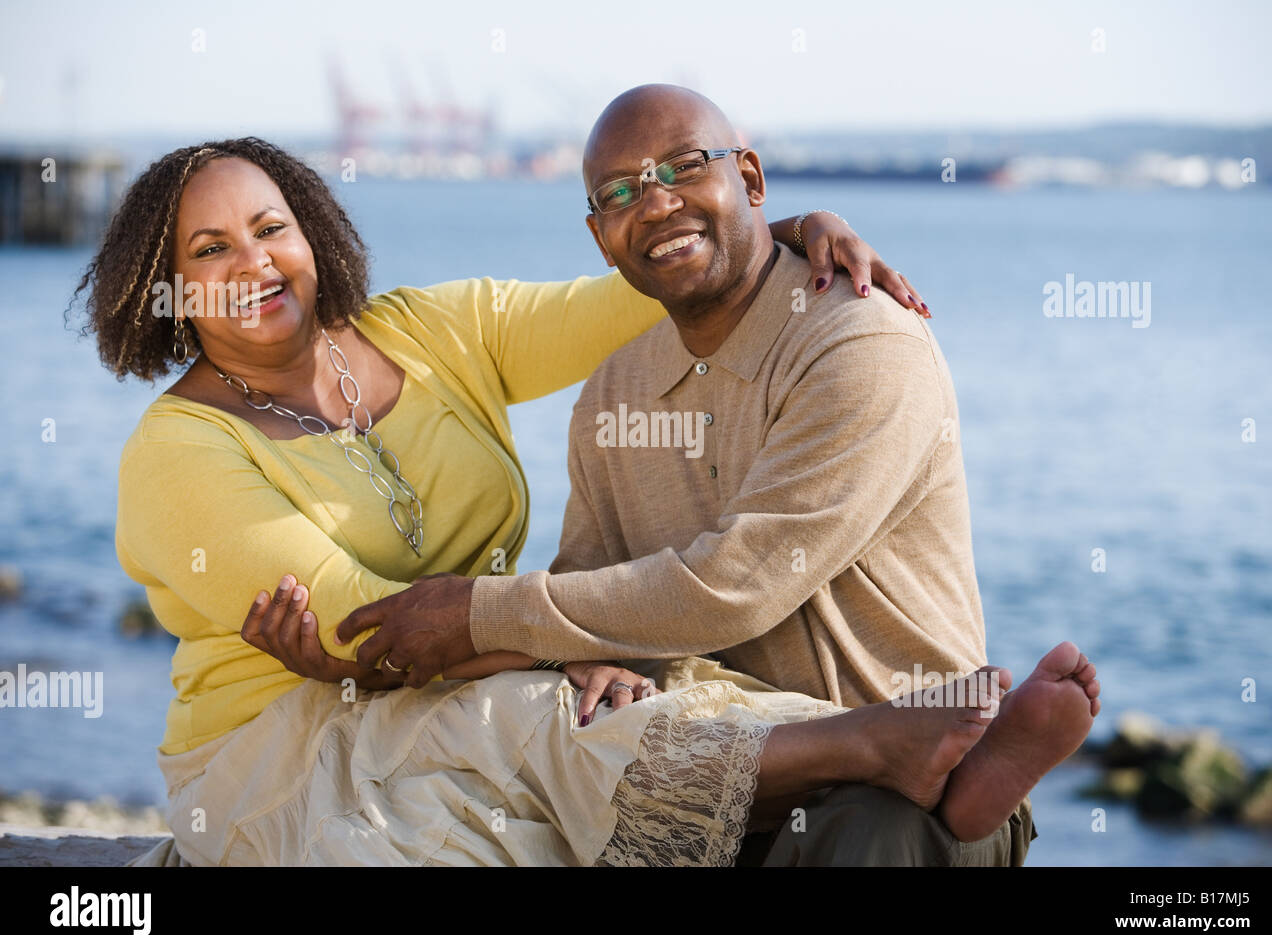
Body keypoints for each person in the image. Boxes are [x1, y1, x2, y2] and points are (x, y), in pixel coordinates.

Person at [86, 136, 1010, 867]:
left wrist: (776, 224)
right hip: (279, 746)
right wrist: (554, 653)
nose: (256, 261)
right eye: (211, 249)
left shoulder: (428, 331)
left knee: (617, 698)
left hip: (459, 674)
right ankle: (880, 748)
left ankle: (913, 756)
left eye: (269, 227)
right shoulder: (176, 453)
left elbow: (647, 285)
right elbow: (356, 627)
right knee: (559, 715)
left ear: (313, 231)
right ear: (164, 292)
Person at [270, 85, 1103, 864]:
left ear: (748, 177)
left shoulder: (858, 341)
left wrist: (484, 610)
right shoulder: (613, 387)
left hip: (907, 767)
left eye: (682, 169)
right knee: (527, 788)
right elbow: (588, 590)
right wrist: (582, 658)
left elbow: (738, 584)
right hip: (721, 755)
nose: (656, 201)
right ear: (600, 238)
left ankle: (978, 783)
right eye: (622, 192)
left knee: (866, 828)